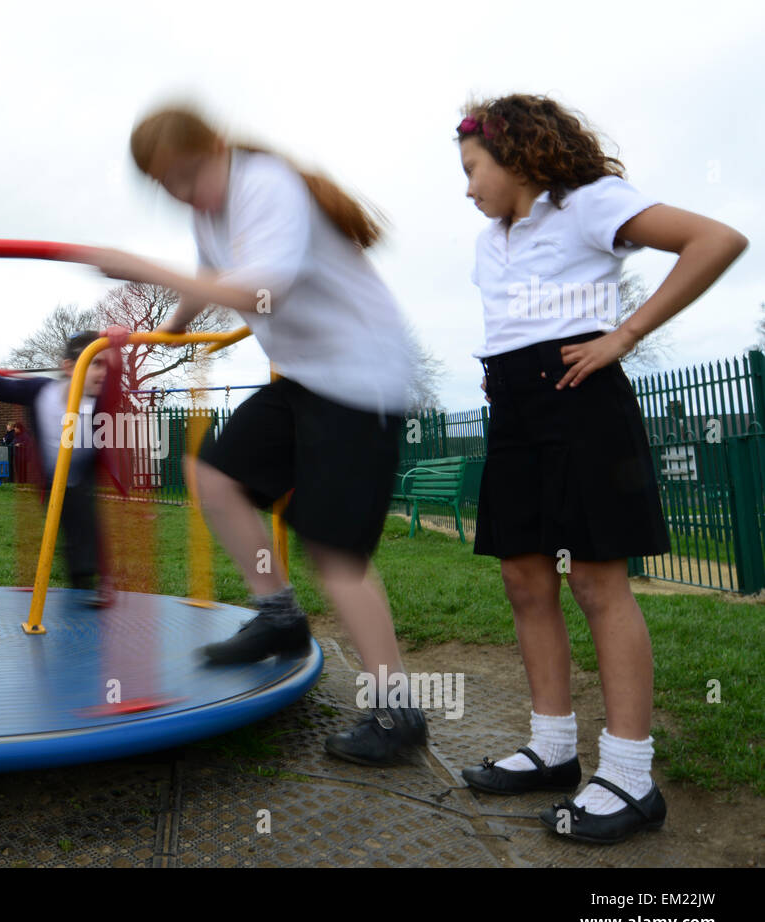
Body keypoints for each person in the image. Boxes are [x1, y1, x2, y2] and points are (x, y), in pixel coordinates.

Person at [81, 104, 425, 766]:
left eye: (186, 177)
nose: (183, 195)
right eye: (167, 188)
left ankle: (397, 711)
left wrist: (146, 269)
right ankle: (279, 614)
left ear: (215, 148)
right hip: (303, 377)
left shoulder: (266, 183)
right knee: (214, 475)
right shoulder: (208, 210)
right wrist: (172, 325)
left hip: (359, 377)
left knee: (335, 551)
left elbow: (266, 288)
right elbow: (210, 271)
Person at [454, 94, 747, 842]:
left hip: (581, 398)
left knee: (594, 578)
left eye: (472, 170)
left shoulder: (586, 204)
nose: (467, 189)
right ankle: (553, 750)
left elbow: (717, 238)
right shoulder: (491, 238)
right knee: (523, 574)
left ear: (515, 155)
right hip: (513, 406)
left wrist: (625, 335)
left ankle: (629, 774)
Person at [0, 332, 129, 605]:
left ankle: (101, 581)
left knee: (87, 524)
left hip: (83, 474)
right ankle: (82, 583)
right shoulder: (42, 391)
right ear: (69, 367)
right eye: (94, 364)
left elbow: (114, 386)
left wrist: (117, 350)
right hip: (53, 479)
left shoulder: (99, 400)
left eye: (105, 366)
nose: (102, 373)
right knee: (66, 534)